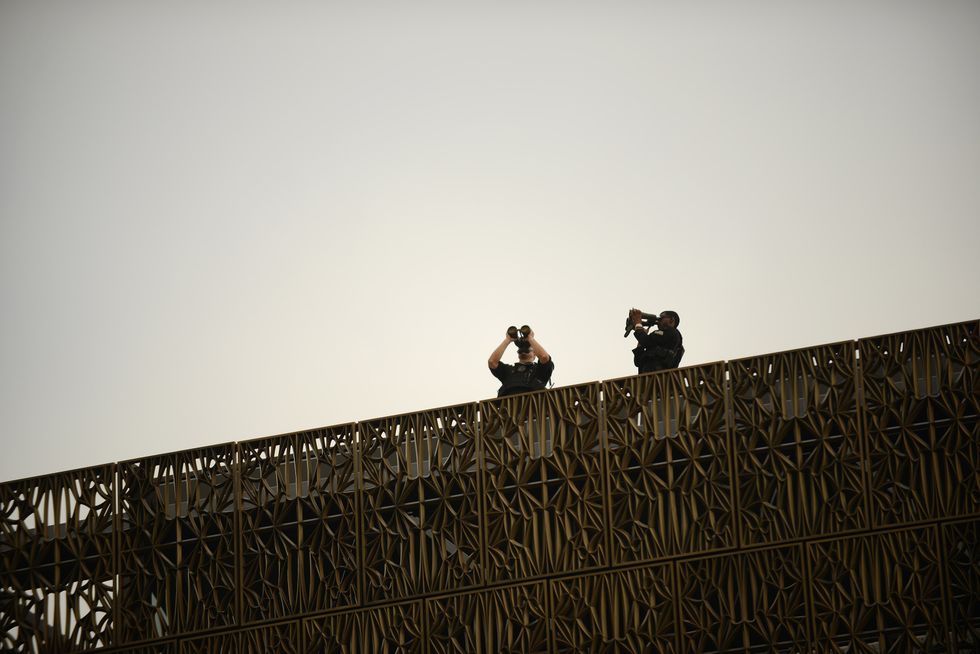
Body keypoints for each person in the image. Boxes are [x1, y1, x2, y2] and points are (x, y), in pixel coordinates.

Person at [488, 326, 554, 397]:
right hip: (510, 403)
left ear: (535, 354)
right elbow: (492, 362)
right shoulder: (509, 371)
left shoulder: (539, 370)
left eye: (527, 350)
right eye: (521, 350)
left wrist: (530, 338)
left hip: (533, 403)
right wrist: (507, 340)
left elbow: (544, 357)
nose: (523, 351)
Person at [630, 308, 684, 373]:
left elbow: (646, 341)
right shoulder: (658, 338)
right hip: (649, 375)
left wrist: (638, 324)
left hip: (658, 374)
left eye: (661, 318)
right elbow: (638, 361)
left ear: (672, 320)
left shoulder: (672, 332)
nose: (658, 320)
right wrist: (640, 340)